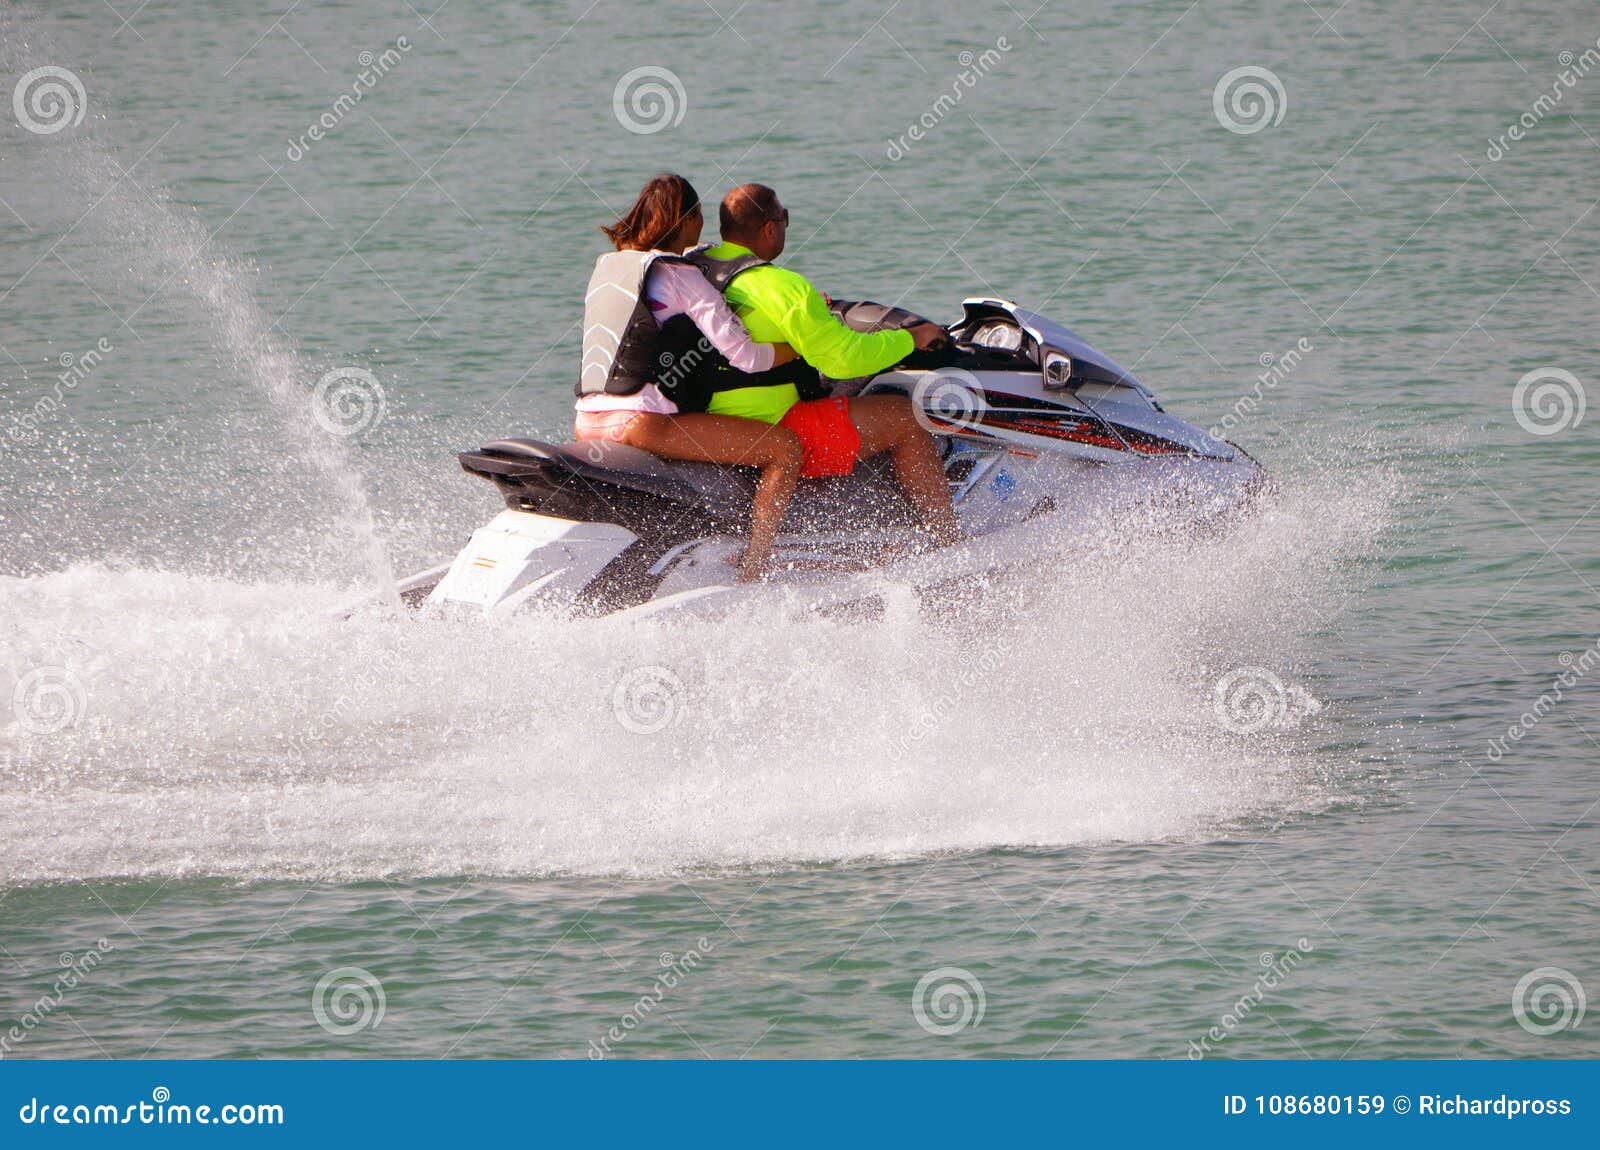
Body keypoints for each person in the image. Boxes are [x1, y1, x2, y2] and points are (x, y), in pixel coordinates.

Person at [686, 183, 960, 545]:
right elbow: (841, 359)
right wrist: (912, 339)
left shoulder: (692, 266)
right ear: (770, 228)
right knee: (905, 419)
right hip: (767, 423)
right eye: (785, 219)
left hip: (706, 421)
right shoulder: (781, 286)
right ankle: (950, 541)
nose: (784, 226)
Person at [575, 173, 803, 582]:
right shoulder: (683, 276)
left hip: (586, 423)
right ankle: (755, 572)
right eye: (699, 216)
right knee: (784, 449)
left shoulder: (611, 267)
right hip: (639, 424)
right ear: (687, 219)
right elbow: (746, 356)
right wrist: (799, 347)